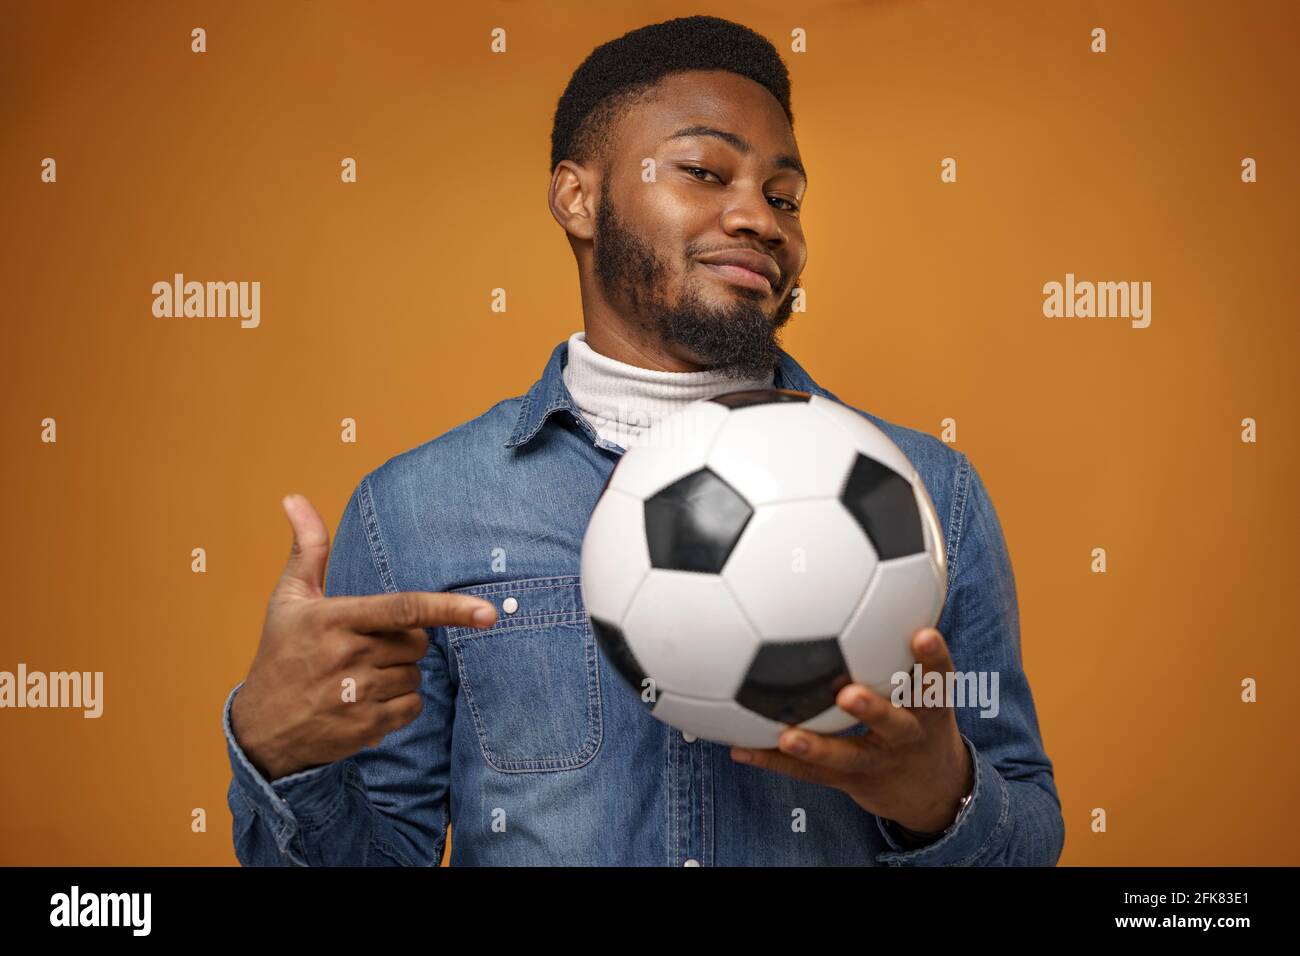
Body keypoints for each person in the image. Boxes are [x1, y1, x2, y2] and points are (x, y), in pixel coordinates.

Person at [223, 14, 1064, 866]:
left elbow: (1029, 828)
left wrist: (938, 798)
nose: (762, 221)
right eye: (704, 171)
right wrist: (277, 754)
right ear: (576, 198)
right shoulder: (414, 510)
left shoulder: (925, 493)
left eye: (784, 198)